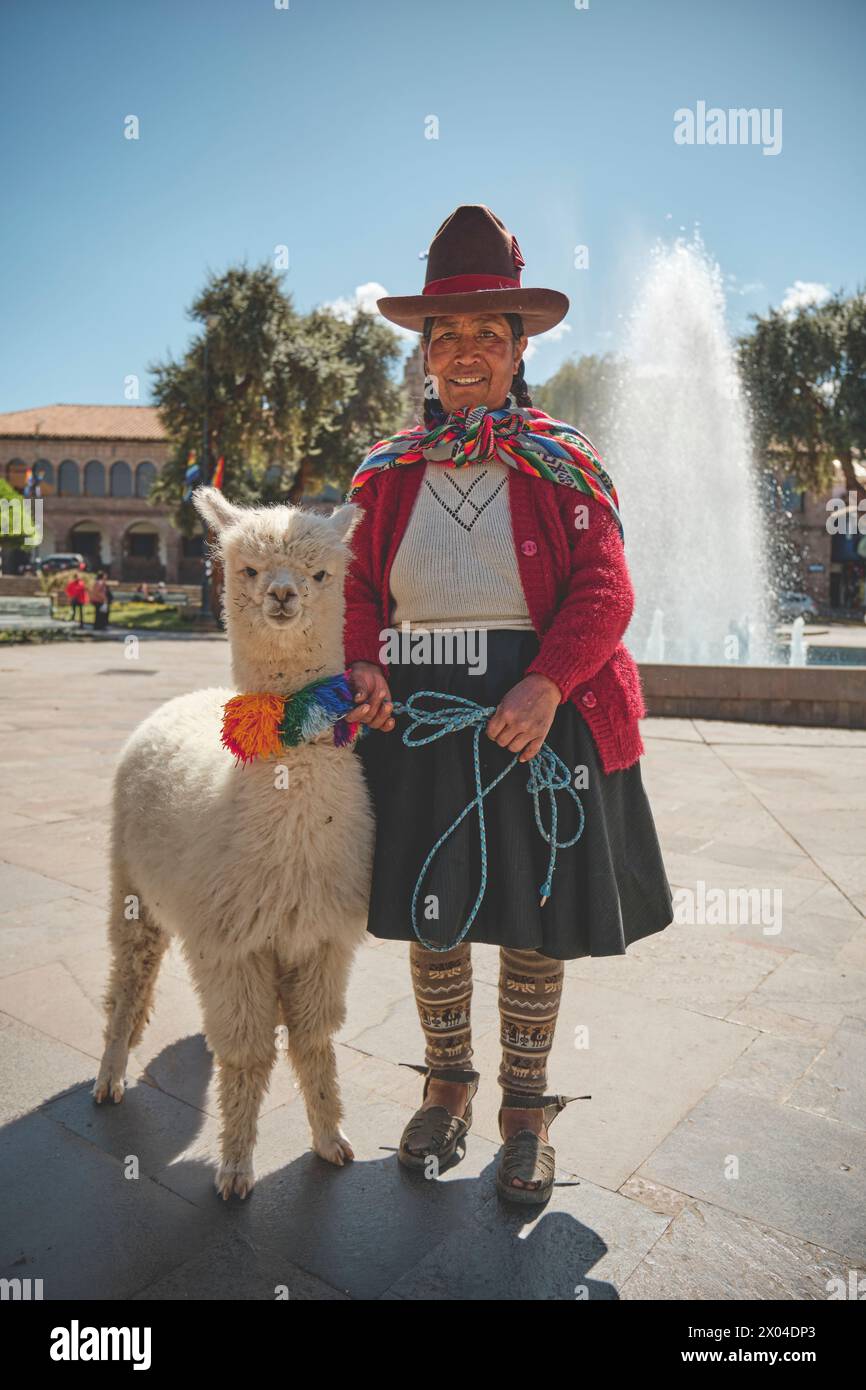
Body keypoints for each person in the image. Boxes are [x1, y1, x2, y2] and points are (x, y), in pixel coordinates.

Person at [343, 205, 674, 1205]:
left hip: (536, 712)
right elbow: (356, 589)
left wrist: (545, 681)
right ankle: (445, 1083)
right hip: (422, 713)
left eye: (487, 334)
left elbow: (604, 592)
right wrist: (361, 665)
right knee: (432, 916)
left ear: (518, 347)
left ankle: (523, 1111)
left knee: (532, 919)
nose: (464, 353)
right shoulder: (386, 471)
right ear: (425, 351)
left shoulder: (559, 460)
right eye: (446, 334)